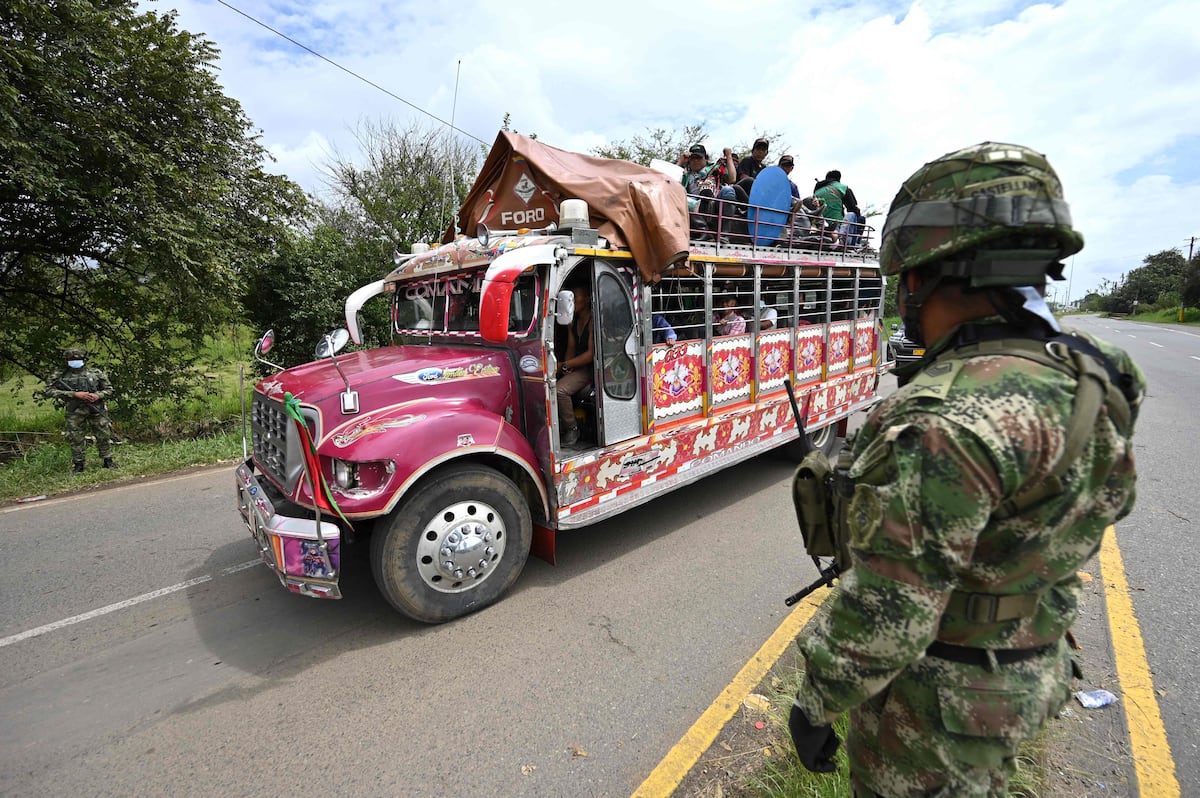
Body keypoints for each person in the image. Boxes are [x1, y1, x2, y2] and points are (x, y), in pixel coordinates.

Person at [788, 142, 1145, 797]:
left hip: (938, 711)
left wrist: (815, 699)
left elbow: (892, 609)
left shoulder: (937, 419)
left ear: (919, 276)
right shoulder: (1101, 372)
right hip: (1030, 670)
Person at [44, 347, 117, 472]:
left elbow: (109, 389)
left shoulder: (96, 373)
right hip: (75, 410)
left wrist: (98, 395)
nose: (74, 361)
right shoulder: (60, 375)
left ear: (84, 359)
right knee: (75, 437)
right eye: (71, 359)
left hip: (95, 409)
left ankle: (107, 460)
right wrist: (73, 394)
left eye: (77, 359)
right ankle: (79, 464)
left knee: (103, 435)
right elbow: (49, 391)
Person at [555, 283, 593, 447]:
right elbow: (572, 347)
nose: (572, 302)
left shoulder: (592, 320)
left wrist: (564, 365)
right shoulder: (575, 320)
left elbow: (591, 354)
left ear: (587, 299)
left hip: (590, 368)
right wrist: (565, 368)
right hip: (578, 366)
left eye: (574, 298)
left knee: (559, 390)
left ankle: (572, 428)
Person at [677, 144, 739, 240]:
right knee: (680, 197)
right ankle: (704, 231)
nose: (695, 161)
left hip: (713, 203)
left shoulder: (714, 169)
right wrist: (681, 162)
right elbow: (667, 181)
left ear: (705, 159)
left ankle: (724, 235)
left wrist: (729, 156)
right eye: (692, 158)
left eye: (699, 158)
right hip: (693, 205)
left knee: (728, 190)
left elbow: (732, 179)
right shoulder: (685, 174)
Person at [813, 169, 861, 245]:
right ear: (839, 179)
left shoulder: (817, 191)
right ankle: (854, 244)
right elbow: (852, 208)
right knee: (854, 215)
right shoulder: (842, 187)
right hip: (837, 225)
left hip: (821, 225)